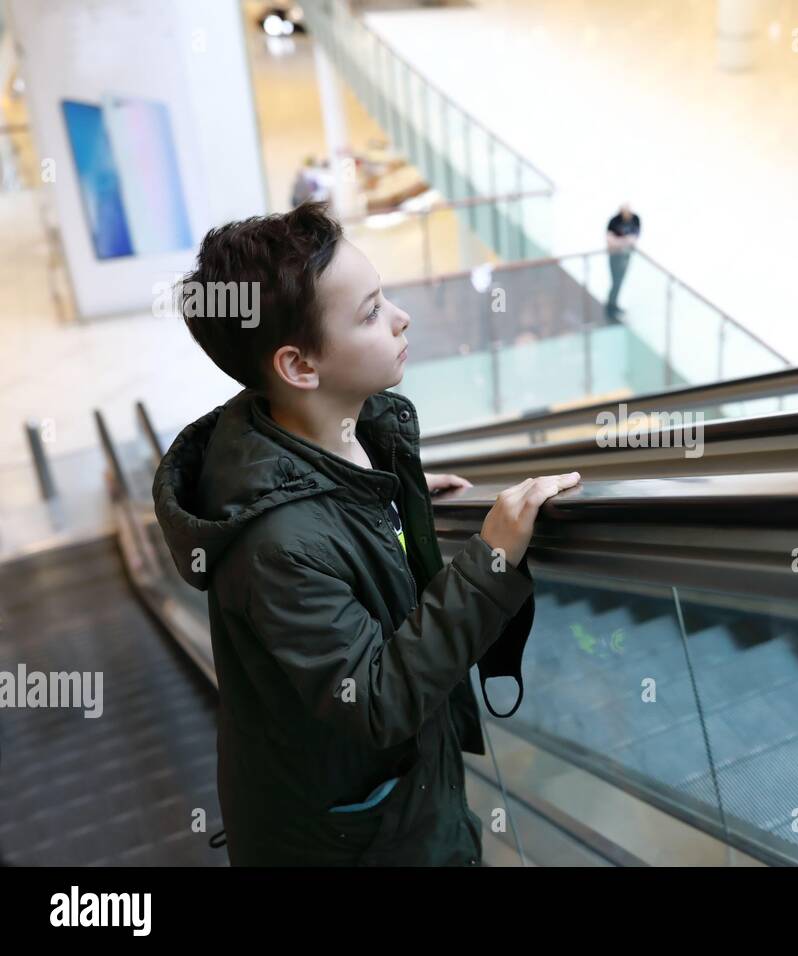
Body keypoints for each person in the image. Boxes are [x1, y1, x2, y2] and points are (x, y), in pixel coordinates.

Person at [152, 201, 581, 865]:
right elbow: (375, 696)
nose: (401, 317)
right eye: (372, 310)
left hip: (404, 802)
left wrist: (391, 499)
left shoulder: (350, 436)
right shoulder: (275, 548)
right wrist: (491, 557)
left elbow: (334, 510)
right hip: (353, 841)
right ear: (299, 367)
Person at [605, 203, 640, 319]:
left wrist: (621, 241)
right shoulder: (614, 221)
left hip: (625, 255)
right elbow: (610, 240)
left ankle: (614, 304)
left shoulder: (635, 219)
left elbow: (634, 238)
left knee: (620, 281)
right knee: (615, 281)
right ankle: (610, 306)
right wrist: (625, 241)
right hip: (615, 255)